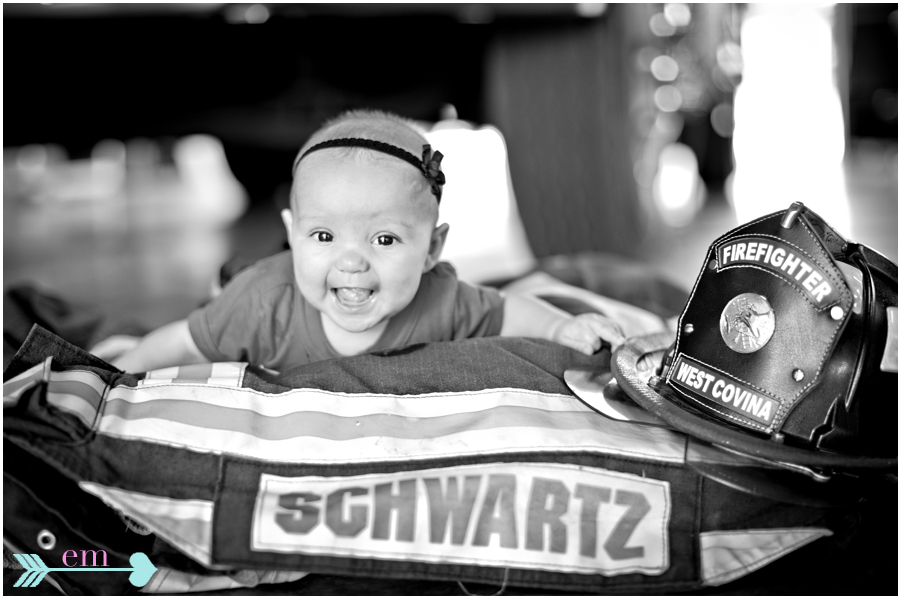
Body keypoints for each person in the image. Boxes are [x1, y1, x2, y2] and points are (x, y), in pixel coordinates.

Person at [111, 110, 625, 373]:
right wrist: (121, 370)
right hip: (249, 289)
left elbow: (507, 312)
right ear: (292, 233)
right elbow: (183, 341)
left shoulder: (442, 298)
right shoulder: (261, 303)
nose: (352, 260)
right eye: (323, 235)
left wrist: (563, 326)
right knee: (228, 292)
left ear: (431, 251)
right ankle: (233, 272)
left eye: (383, 238)